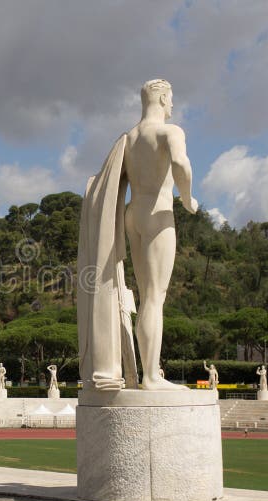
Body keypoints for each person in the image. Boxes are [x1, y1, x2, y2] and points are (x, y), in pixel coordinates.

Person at [78, 79, 197, 391]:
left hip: (133, 215)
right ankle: (152, 376)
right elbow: (180, 163)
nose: (172, 105)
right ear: (159, 98)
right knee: (155, 298)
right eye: (170, 98)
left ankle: (146, 373)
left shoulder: (128, 139)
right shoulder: (170, 132)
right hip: (158, 213)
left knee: (147, 297)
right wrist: (187, 198)